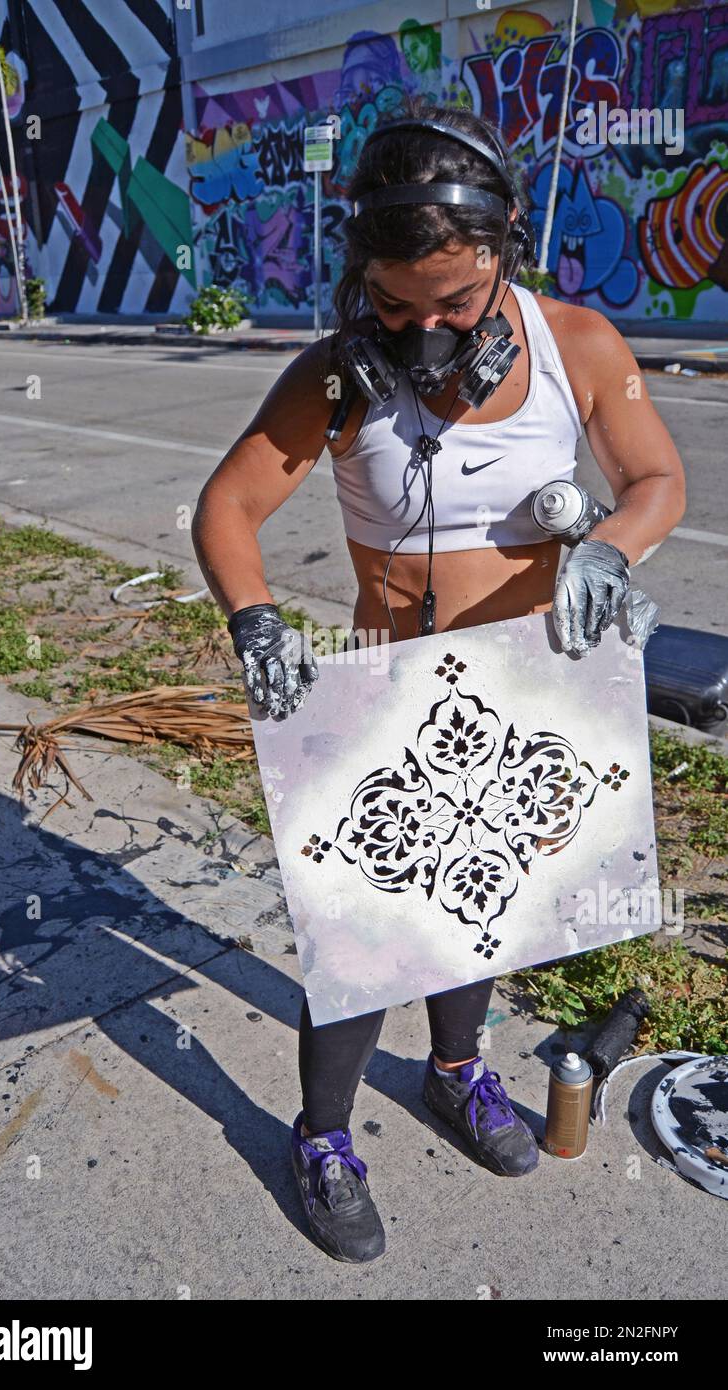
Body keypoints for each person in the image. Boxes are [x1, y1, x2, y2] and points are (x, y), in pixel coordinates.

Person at [192, 94, 686, 1264]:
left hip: (522, 691)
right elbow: (228, 506)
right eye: (391, 303)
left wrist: (610, 549)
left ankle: (458, 1072)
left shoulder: (580, 346)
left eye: (454, 304)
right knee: (360, 942)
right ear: (360, 270)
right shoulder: (334, 373)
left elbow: (656, 478)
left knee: (487, 912)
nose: (422, 335)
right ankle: (321, 1138)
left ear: (507, 244)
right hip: (381, 692)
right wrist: (257, 623)